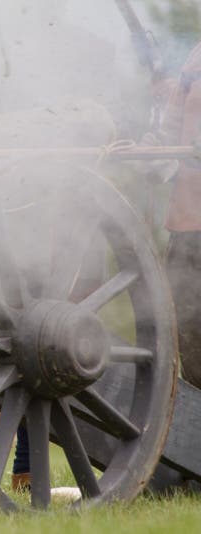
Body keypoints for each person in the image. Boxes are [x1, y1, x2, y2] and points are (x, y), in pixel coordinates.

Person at [0, 0, 120, 492]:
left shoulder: (87, 51)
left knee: (45, 344)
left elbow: (102, 124)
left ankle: (28, 470)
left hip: (59, 224)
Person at [158, 42, 201, 390]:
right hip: (188, 224)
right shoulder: (196, 55)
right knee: (184, 336)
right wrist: (154, 146)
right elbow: (172, 124)